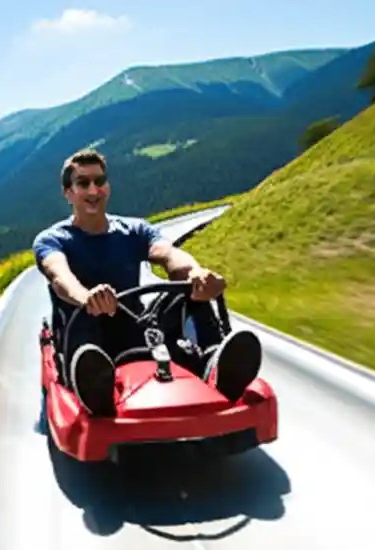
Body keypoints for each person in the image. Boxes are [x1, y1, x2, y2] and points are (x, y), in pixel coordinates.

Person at [32, 148, 262, 417]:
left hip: (132, 323)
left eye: (100, 181)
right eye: (83, 183)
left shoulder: (135, 230)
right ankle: (94, 387)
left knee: (187, 292)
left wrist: (196, 274)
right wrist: (86, 298)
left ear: (108, 186)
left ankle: (215, 363)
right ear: (68, 193)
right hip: (84, 325)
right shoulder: (52, 239)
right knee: (86, 327)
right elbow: (59, 275)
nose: (94, 191)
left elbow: (167, 254)